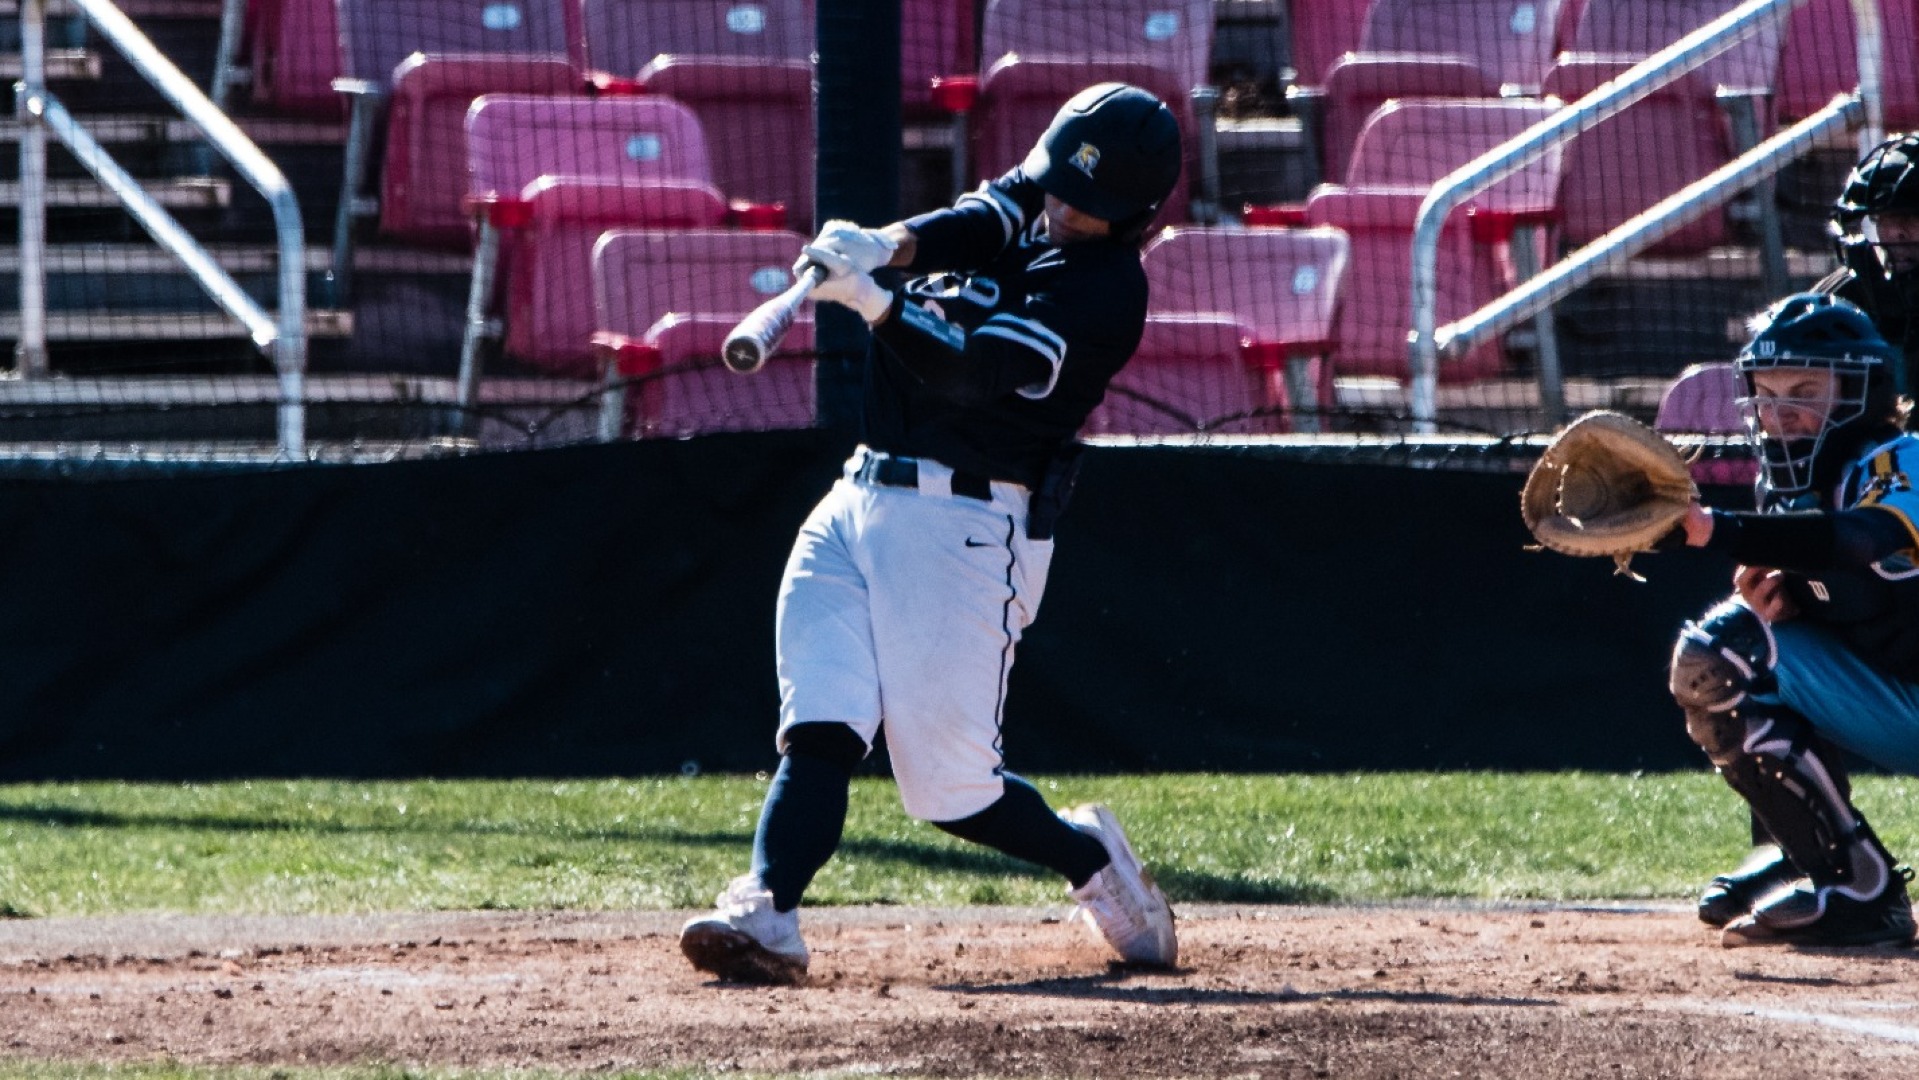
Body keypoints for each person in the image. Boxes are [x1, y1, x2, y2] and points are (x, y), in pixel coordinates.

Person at [677, 82, 1185, 984]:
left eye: (1085, 201)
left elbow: (972, 374)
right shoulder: (1046, 200)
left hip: (965, 526)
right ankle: (768, 913)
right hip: (858, 496)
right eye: (1059, 184)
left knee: (949, 792)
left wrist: (874, 300)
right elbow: (975, 217)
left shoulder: (1107, 290)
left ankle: (1090, 862)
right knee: (821, 724)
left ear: (1132, 215)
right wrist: (890, 244)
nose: (1060, 205)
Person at [1690, 133, 1919, 927]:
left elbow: (1863, 536)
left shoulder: (1899, 453)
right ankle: (1814, 857)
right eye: (1887, 226)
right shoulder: (1838, 321)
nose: (1899, 245)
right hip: (1897, 662)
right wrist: (1776, 580)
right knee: (1734, 640)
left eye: (1916, 225)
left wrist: (1706, 527)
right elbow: (1831, 548)